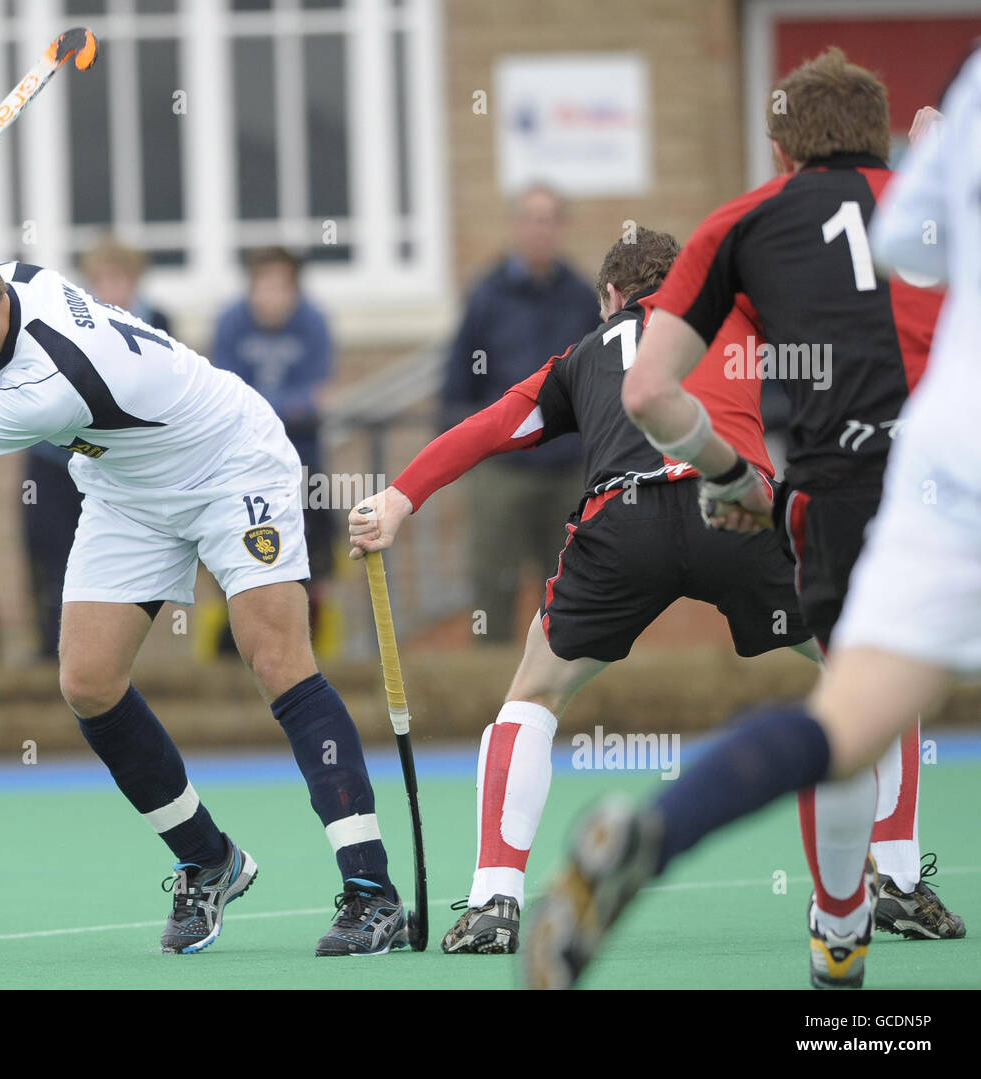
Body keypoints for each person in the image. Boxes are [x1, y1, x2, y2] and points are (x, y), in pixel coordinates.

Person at [0, 216, 410, 957]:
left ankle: (373, 892)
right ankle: (209, 858)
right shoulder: (7, 290)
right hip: (127, 484)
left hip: (229, 463)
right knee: (88, 680)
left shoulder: (55, 377)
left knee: (275, 657)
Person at [524, 52, 968, 991]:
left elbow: (650, 389)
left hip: (859, 488)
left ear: (778, 146)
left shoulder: (741, 221)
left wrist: (729, 475)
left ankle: (791, 909)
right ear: (881, 127)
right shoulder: (939, 173)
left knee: (847, 723)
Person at [350, 227, 817, 953]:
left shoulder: (582, 355)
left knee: (531, 696)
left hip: (624, 523)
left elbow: (489, 427)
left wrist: (400, 500)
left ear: (610, 298)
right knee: (865, 670)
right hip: (738, 505)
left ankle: (493, 901)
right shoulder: (738, 313)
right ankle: (894, 882)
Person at [440, 184, 600, 642]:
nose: (540, 230)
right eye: (531, 218)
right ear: (514, 226)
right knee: (493, 585)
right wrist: (459, 458)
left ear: (562, 228)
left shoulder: (579, 295)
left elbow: (598, 377)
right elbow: (458, 382)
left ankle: (564, 690)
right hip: (502, 470)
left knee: (573, 584)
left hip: (569, 466)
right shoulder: (486, 296)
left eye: (549, 219)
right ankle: (492, 697)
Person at [22, 238, 170, 658]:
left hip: (119, 465)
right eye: (102, 279)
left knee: (113, 556)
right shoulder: (64, 319)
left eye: (119, 279)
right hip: (57, 458)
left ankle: (106, 652)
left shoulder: (156, 322)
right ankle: (51, 646)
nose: (111, 288)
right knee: (49, 547)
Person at [211, 247, 336, 646]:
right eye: (263, 284)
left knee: (313, 564)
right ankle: (236, 650)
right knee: (240, 563)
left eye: (281, 286)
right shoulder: (230, 322)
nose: (272, 295)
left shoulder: (313, 322)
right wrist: (284, 406)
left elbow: (317, 396)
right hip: (241, 469)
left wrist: (265, 405)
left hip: (303, 467)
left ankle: (312, 646)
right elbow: (229, 396)